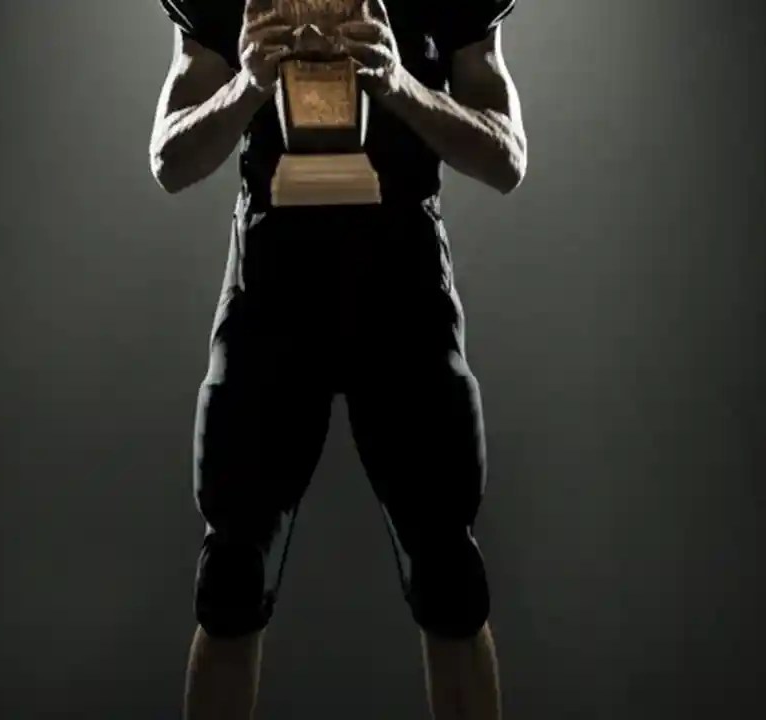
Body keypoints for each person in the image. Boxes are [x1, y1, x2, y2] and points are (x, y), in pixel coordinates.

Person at [148, 0, 526, 717]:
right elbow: (169, 158)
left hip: (401, 276)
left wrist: (398, 83)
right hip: (274, 277)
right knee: (231, 578)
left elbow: (506, 157)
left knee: (449, 576)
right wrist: (249, 84)